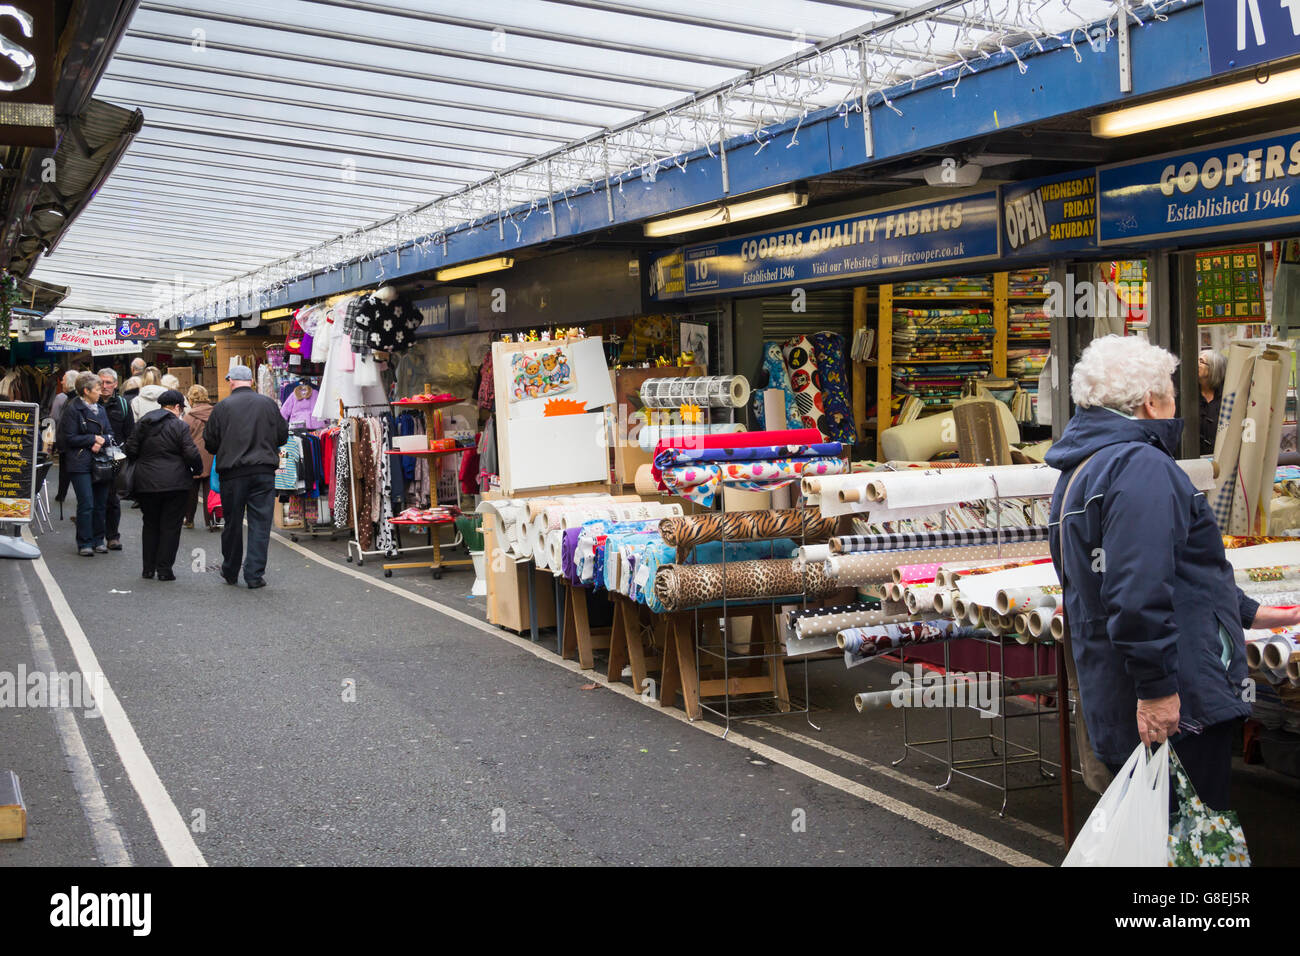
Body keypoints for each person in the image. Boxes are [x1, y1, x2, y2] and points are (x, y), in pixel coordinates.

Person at [1047, 335, 1300, 811]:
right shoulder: (1140, 466)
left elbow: (1139, 575)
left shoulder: (1082, 467)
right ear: (1148, 402)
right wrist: (1158, 690)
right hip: (1178, 697)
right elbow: (1138, 593)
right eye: (1168, 389)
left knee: (1150, 835)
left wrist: (1250, 612)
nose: (1173, 400)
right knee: (1183, 842)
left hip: (1117, 689)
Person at [204, 365, 288, 588]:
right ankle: (254, 575)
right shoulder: (268, 404)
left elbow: (210, 443)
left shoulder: (222, 407)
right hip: (263, 472)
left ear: (231, 381)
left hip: (232, 474)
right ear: (252, 381)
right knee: (260, 523)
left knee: (232, 523)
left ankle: (230, 570)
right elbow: (282, 435)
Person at [125, 389, 202, 581]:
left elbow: (130, 448)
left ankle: (148, 568)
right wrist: (197, 469)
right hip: (175, 483)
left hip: (146, 482)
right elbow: (191, 453)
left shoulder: (143, 422)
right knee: (170, 526)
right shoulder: (179, 426)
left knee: (150, 524)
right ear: (176, 407)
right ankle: (165, 569)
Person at [59, 372, 116, 556]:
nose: (101, 392)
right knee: (86, 503)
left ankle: (99, 539)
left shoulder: (101, 409)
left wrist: (101, 440)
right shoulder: (72, 410)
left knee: (100, 504)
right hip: (79, 462)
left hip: (101, 461)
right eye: (98, 389)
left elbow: (110, 434)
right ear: (86, 391)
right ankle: (84, 542)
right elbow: (68, 438)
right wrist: (93, 438)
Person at [97, 368, 133, 550]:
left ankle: (113, 537)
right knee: (94, 499)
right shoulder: (90, 403)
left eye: (108, 383)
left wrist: (124, 453)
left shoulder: (123, 405)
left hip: (115, 460)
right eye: (101, 382)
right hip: (93, 458)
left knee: (113, 499)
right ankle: (95, 538)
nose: (104, 386)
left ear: (115, 384)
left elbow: (130, 433)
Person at [182, 384, 217, 530]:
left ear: (190, 398)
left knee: (191, 491)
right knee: (212, 490)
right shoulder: (215, 413)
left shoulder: (188, 416)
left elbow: (183, 437)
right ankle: (212, 521)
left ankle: (189, 520)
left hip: (193, 456)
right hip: (212, 455)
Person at [50, 369, 80, 511]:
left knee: (69, 472)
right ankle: (63, 494)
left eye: (63, 379)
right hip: (67, 443)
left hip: (69, 444)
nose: (61, 381)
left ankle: (65, 495)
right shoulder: (69, 398)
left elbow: (55, 417)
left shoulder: (70, 400)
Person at [1198, 349, 1226, 456]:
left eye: (1201, 361)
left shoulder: (1225, 395)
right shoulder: (1188, 395)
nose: (1196, 364)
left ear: (1214, 369)